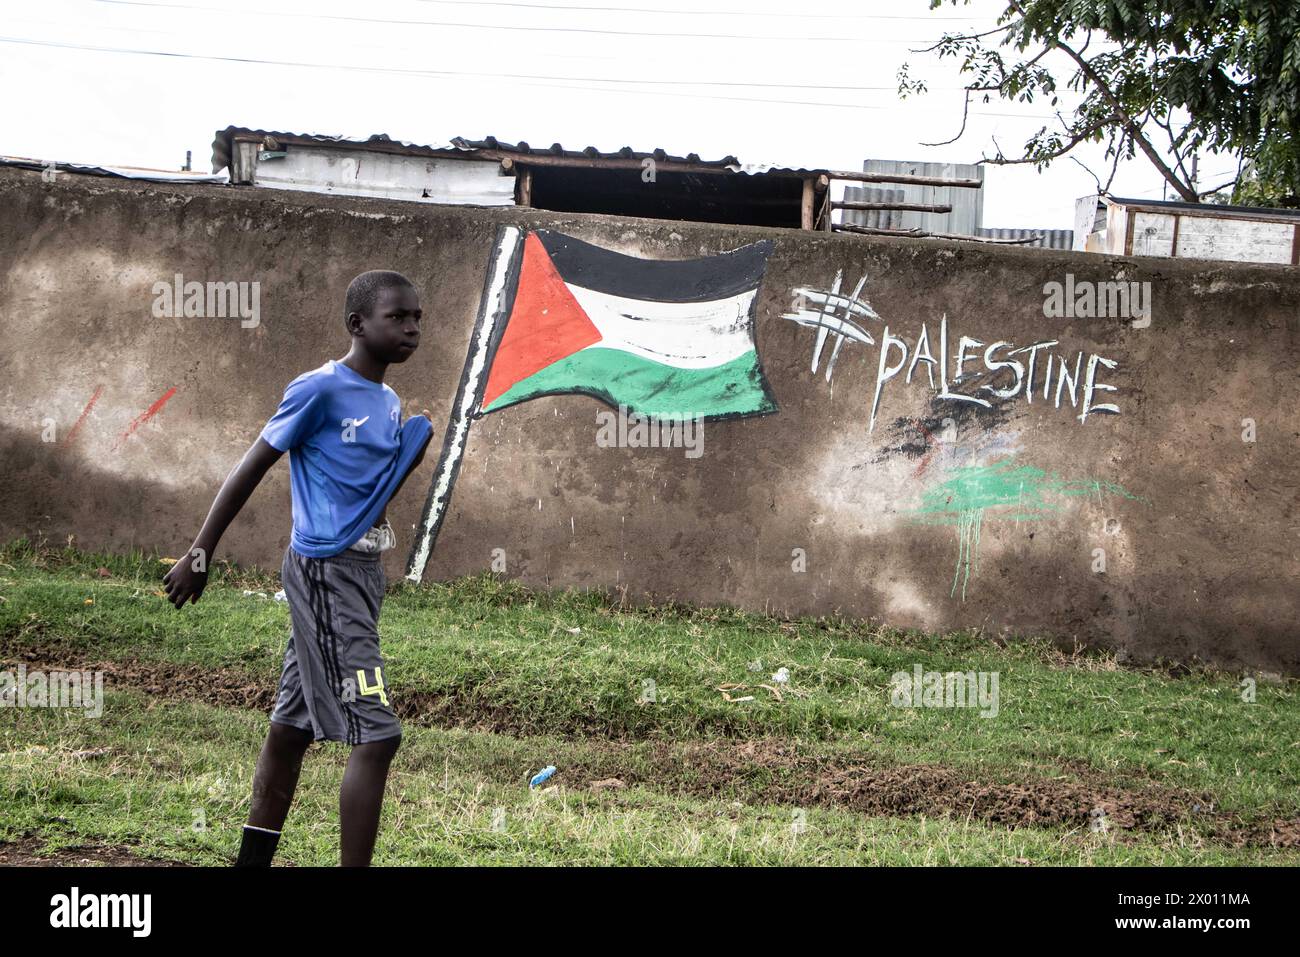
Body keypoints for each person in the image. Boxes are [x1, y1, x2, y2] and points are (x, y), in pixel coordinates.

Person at [162, 270, 434, 867]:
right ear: (357, 325)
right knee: (378, 733)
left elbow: (370, 495)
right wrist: (200, 553)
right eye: (398, 317)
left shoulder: (389, 403)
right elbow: (252, 466)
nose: (412, 327)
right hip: (324, 570)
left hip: (363, 573)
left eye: (417, 317)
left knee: (293, 724)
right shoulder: (318, 389)